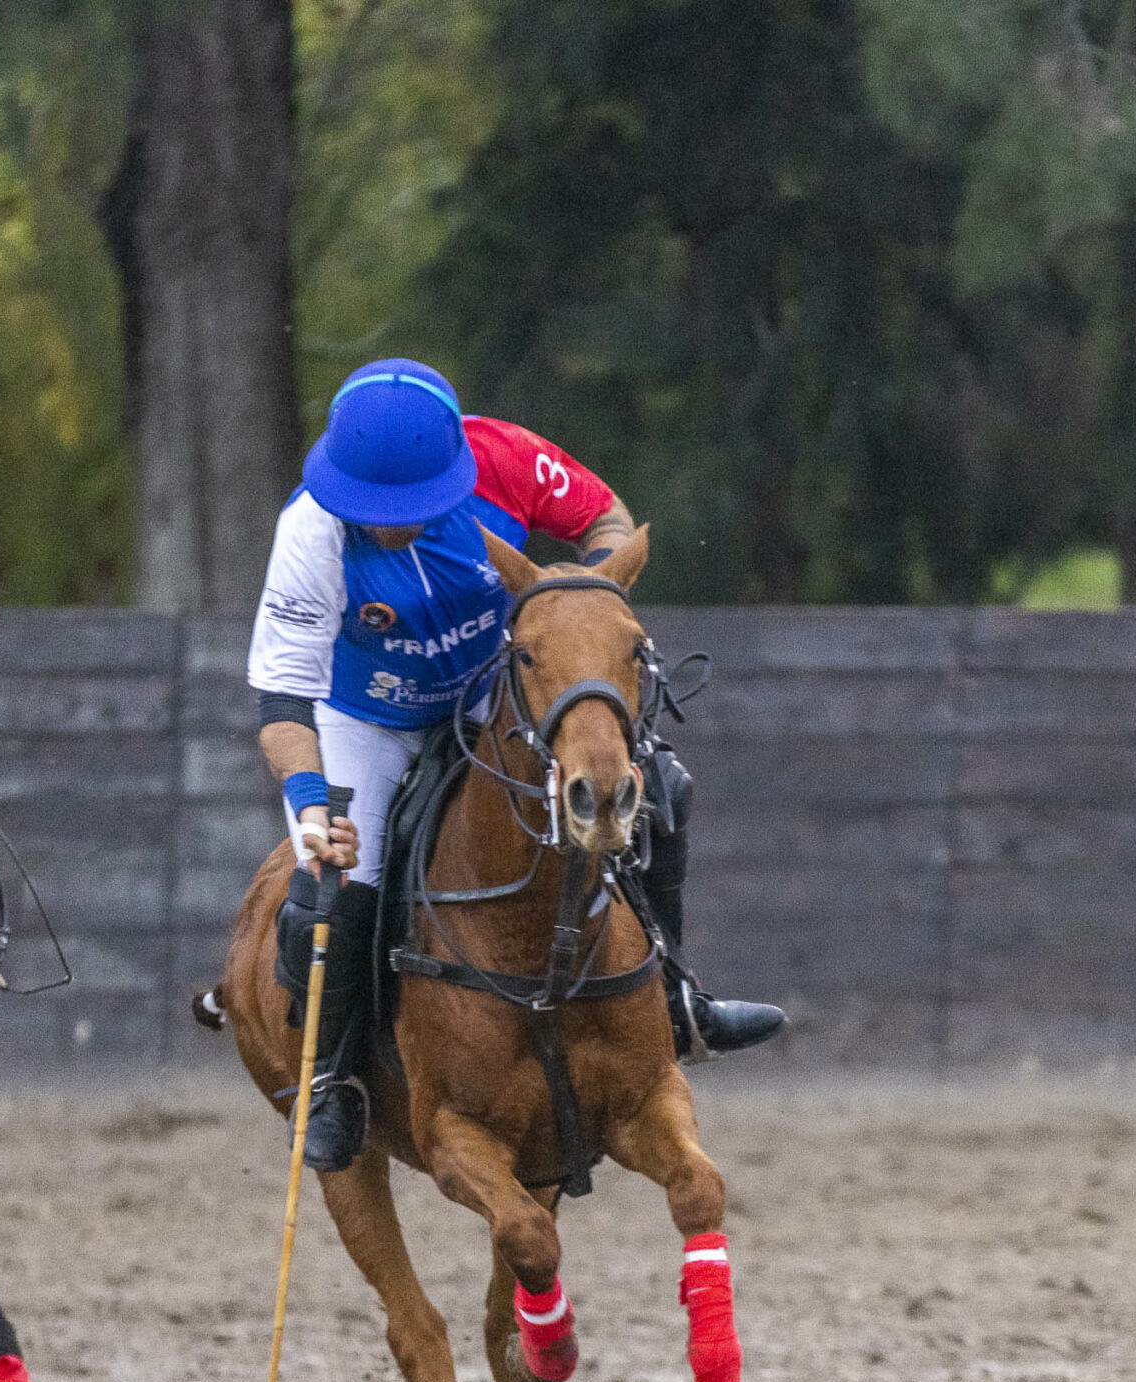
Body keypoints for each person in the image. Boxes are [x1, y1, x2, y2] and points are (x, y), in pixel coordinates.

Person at [246, 357, 785, 1173]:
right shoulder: (311, 532)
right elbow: (283, 704)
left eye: (407, 507)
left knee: (661, 788)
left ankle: (676, 1003)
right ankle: (332, 1079)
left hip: (501, 689)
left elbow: (605, 518)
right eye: (371, 507)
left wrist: (579, 606)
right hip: (368, 715)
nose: (385, 524)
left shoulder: (504, 459)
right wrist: (313, 805)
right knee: (335, 884)